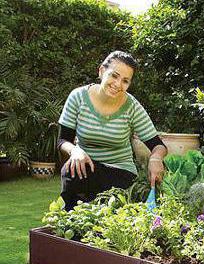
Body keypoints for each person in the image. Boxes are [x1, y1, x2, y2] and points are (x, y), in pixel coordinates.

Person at [57, 51, 167, 210]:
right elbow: (62, 141)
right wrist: (75, 151)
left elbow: (158, 145)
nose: (117, 84)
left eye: (125, 81)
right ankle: (68, 222)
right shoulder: (78, 97)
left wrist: (156, 159)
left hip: (120, 173)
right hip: (86, 169)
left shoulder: (132, 107)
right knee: (71, 171)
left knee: (106, 212)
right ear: (101, 71)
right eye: (114, 76)